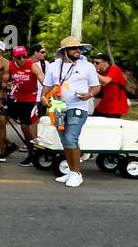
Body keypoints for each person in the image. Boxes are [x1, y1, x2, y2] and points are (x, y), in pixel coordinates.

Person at [41, 37, 101, 189]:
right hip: (58, 107)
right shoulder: (54, 66)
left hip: (79, 106)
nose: (77, 51)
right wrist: (43, 97)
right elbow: (47, 86)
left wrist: (89, 95)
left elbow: (96, 87)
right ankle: (71, 171)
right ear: (64, 51)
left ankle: (76, 173)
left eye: (79, 48)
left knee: (70, 138)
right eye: (74, 48)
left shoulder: (87, 66)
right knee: (65, 140)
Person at [6, 46, 42, 166]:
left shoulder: (31, 65)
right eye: (18, 57)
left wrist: (47, 93)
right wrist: (7, 84)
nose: (22, 59)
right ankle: (2, 150)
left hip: (29, 99)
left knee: (25, 127)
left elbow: (42, 78)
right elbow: (4, 81)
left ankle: (32, 152)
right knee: (1, 121)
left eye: (24, 56)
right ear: (13, 57)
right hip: (15, 98)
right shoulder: (10, 65)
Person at [91, 53, 129, 119]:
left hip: (116, 105)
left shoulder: (114, 69)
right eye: (93, 62)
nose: (94, 64)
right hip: (104, 104)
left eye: (97, 63)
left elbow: (106, 80)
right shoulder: (99, 72)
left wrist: (94, 72)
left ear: (106, 63)